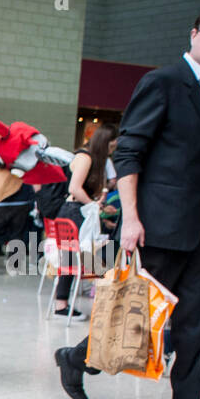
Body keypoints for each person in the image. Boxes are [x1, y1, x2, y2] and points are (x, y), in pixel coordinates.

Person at [55, 3, 200, 399]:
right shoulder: (164, 82)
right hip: (158, 224)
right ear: (194, 34)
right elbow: (129, 152)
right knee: (135, 317)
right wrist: (132, 218)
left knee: (196, 320)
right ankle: (76, 358)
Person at [53, 122, 118, 316]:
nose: (112, 151)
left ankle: (62, 303)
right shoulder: (85, 157)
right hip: (74, 211)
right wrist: (94, 205)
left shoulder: (91, 158)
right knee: (98, 252)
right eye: (111, 146)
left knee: (72, 258)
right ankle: (68, 302)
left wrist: (98, 206)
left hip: (75, 211)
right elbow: (74, 188)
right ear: (105, 142)